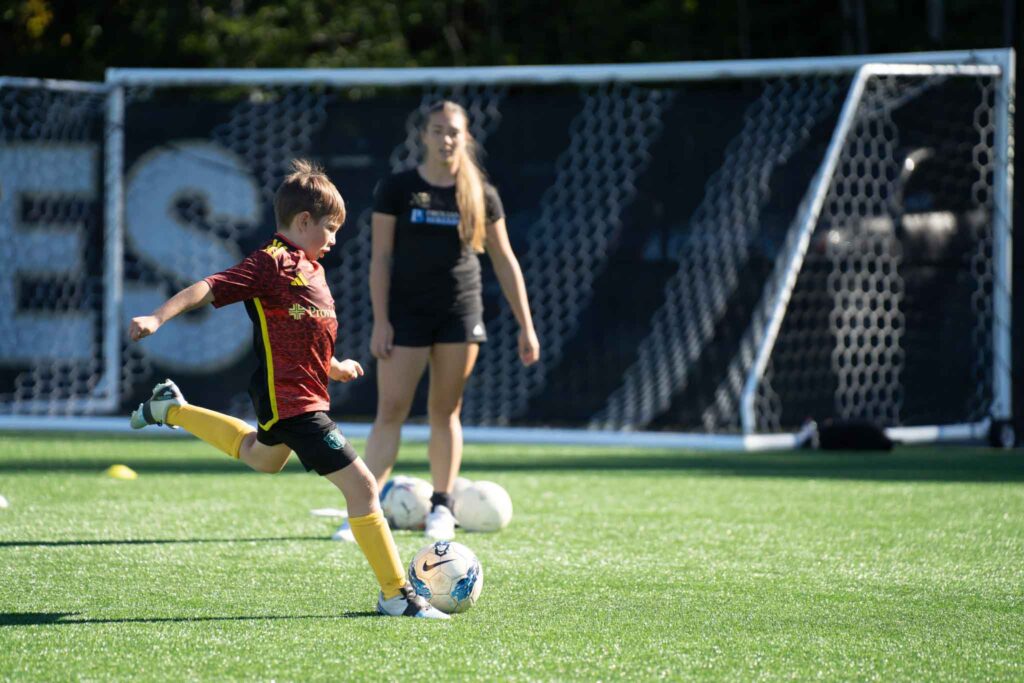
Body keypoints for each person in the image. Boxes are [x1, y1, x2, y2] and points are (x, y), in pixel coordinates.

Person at [127, 159, 448, 619]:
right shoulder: (271, 263)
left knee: (262, 456)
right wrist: (158, 316)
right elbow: (208, 287)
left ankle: (171, 410)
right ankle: (397, 595)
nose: (334, 239)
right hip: (293, 403)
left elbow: (304, 330)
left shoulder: (313, 269)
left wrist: (332, 366)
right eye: (330, 228)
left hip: (300, 395)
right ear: (302, 222)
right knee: (362, 486)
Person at [334, 100, 540, 543]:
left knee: (445, 411)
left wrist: (527, 324)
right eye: (437, 130)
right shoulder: (398, 188)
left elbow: (504, 260)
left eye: (453, 132)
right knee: (390, 410)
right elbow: (381, 258)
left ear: (465, 138)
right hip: (405, 316)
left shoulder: (480, 193)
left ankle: (442, 507)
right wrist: (381, 320)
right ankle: (363, 512)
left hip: (460, 315)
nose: (446, 139)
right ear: (422, 136)